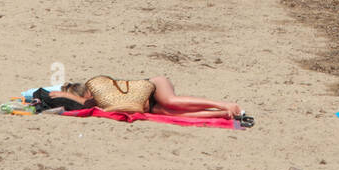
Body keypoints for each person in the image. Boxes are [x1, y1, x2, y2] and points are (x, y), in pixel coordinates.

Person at [46, 75, 246, 122]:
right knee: (169, 114)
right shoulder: (99, 104)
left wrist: (64, 94)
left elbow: (85, 104)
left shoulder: (98, 90)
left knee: (171, 102)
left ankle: (223, 104)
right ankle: (222, 113)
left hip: (154, 85)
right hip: (147, 105)